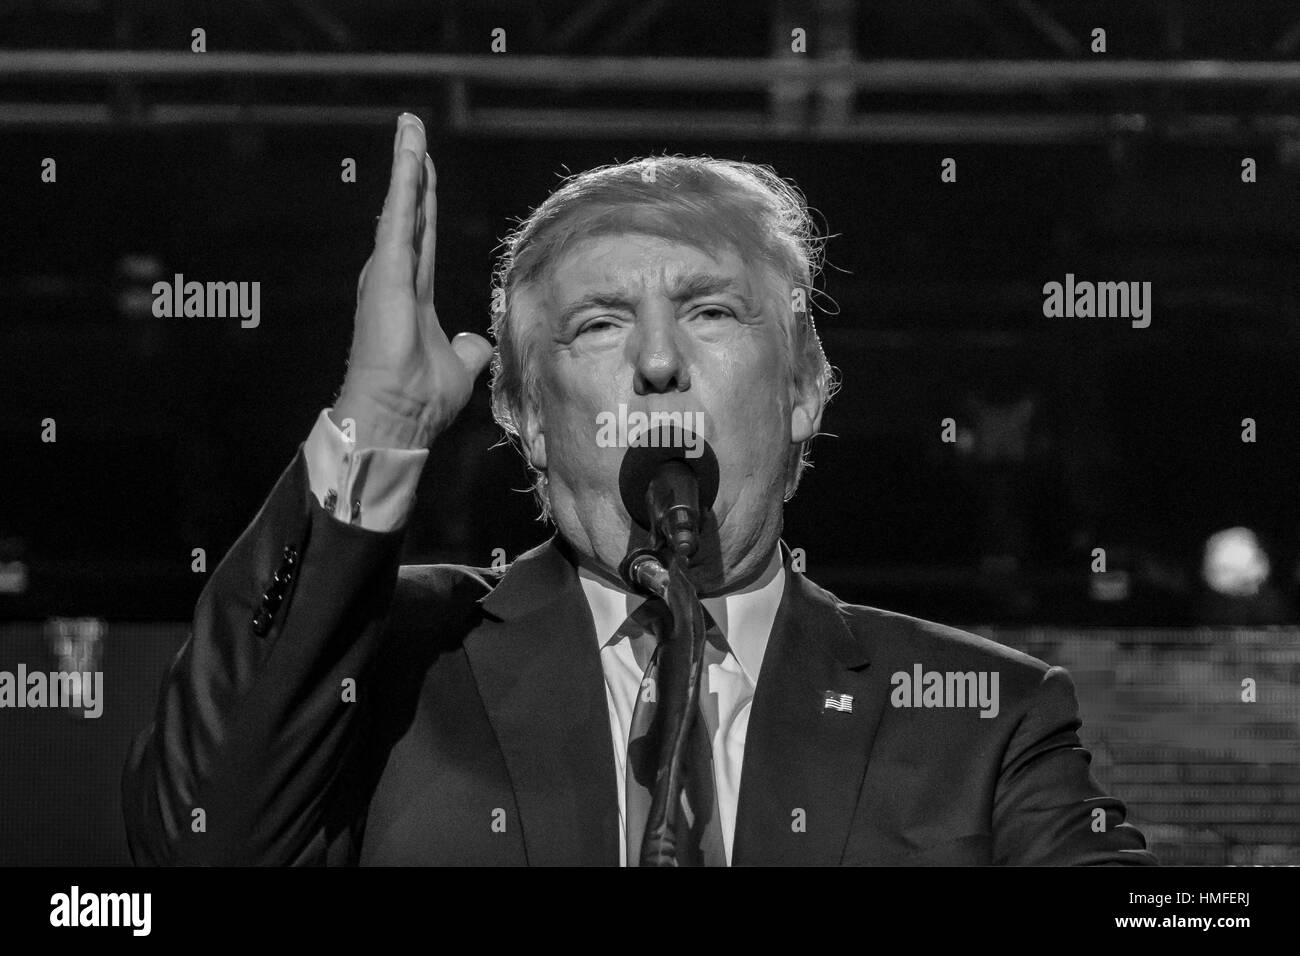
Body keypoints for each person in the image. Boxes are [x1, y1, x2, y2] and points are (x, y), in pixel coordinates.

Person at [121, 113, 1157, 866]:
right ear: (522, 414)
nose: (657, 360)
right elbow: (195, 842)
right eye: (599, 322)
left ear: (802, 393)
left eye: (710, 311)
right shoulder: (396, 667)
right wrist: (378, 423)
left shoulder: (987, 717)